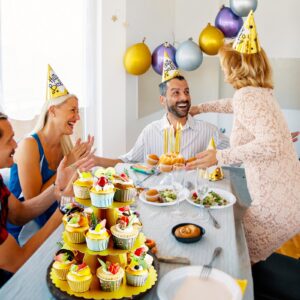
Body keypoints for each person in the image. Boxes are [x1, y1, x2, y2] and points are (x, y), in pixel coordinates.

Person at [187, 11, 300, 264]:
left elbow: (270, 143)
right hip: (290, 197)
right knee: (237, 250)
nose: (224, 70)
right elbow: (233, 106)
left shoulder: (247, 96)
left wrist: (220, 156)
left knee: (235, 256)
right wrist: (201, 108)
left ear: (236, 66)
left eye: (225, 65)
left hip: (275, 205)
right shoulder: (258, 93)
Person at [0, 112, 94, 286]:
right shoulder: (30, 145)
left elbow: (19, 213)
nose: (15, 145)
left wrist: (56, 186)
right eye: (9, 140)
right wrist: (65, 208)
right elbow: (17, 261)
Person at [94, 54, 229, 168]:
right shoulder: (150, 132)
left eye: (186, 92)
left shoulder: (208, 131)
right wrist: (97, 161)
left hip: (193, 197)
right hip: (160, 198)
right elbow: (127, 161)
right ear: (162, 100)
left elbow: (236, 153)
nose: (184, 97)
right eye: (176, 93)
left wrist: (217, 156)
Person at [7, 65, 94, 242]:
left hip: (55, 218)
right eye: (73, 110)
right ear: (53, 111)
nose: (78, 117)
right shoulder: (29, 146)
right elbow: (33, 204)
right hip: (28, 229)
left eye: (77, 111)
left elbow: (68, 189)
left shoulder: (65, 143)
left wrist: (81, 166)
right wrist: (69, 164)